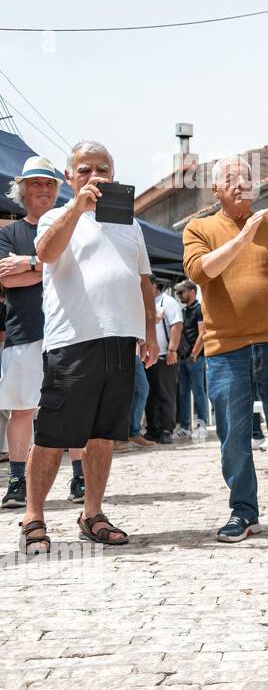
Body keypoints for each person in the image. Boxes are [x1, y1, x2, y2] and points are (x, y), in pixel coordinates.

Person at [17, 141, 158, 555]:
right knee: (53, 435)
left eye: (103, 169)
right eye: (85, 170)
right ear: (69, 177)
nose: (95, 176)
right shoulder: (56, 217)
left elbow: (143, 280)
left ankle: (92, 513)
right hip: (72, 341)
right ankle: (33, 516)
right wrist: (78, 209)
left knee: (103, 435)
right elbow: (44, 254)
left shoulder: (129, 223)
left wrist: (148, 331)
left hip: (121, 339)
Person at [182, 157, 268, 543]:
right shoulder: (199, 228)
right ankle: (243, 512)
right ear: (215, 189)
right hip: (226, 348)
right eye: (232, 178)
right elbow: (200, 272)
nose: (242, 182)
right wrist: (243, 236)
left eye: (247, 176)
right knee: (234, 439)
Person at [0, 156, 88, 508]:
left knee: (75, 409)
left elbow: (81, 270)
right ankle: (18, 481)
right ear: (22, 189)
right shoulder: (9, 233)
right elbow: (7, 277)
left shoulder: (73, 226)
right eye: (36, 183)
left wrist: (32, 263)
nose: (43, 189)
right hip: (25, 331)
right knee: (22, 410)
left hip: (69, 329)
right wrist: (48, 263)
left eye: (50, 183)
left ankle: (80, 478)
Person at [144, 278, 182, 444]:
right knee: (150, 395)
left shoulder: (168, 302)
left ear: (153, 286)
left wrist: (172, 350)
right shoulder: (145, 303)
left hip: (166, 356)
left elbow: (177, 325)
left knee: (166, 394)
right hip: (148, 357)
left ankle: (166, 429)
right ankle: (152, 428)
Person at [174, 280, 208, 441]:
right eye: (177, 293)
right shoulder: (184, 310)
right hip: (183, 357)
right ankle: (185, 427)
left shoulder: (199, 309)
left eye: (182, 292)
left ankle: (202, 425)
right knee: (183, 393)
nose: (179, 295)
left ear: (192, 291)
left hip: (195, 358)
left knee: (199, 392)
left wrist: (194, 353)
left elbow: (202, 333)